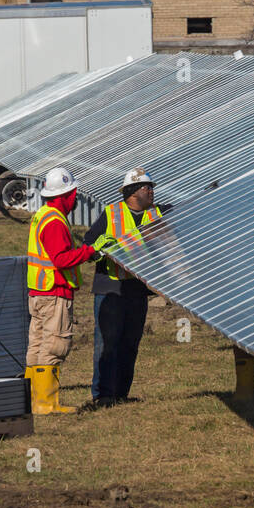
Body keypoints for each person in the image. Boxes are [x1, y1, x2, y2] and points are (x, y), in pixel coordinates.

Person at [83, 168, 165, 407]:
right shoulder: (111, 214)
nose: (151, 191)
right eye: (146, 187)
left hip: (136, 288)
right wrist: (99, 247)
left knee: (131, 341)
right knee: (107, 342)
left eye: (152, 187)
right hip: (110, 287)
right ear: (131, 192)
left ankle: (121, 393)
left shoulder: (157, 213)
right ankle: (103, 395)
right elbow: (88, 244)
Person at [25, 167, 98, 415]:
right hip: (54, 292)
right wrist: (90, 251)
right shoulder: (55, 221)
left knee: (36, 346)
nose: (76, 199)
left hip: (38, 293)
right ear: (66, 194)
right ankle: (47, 404)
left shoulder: (42, 215)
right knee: (54, 345)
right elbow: (61, 259)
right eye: (74, 194)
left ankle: (34, 402)